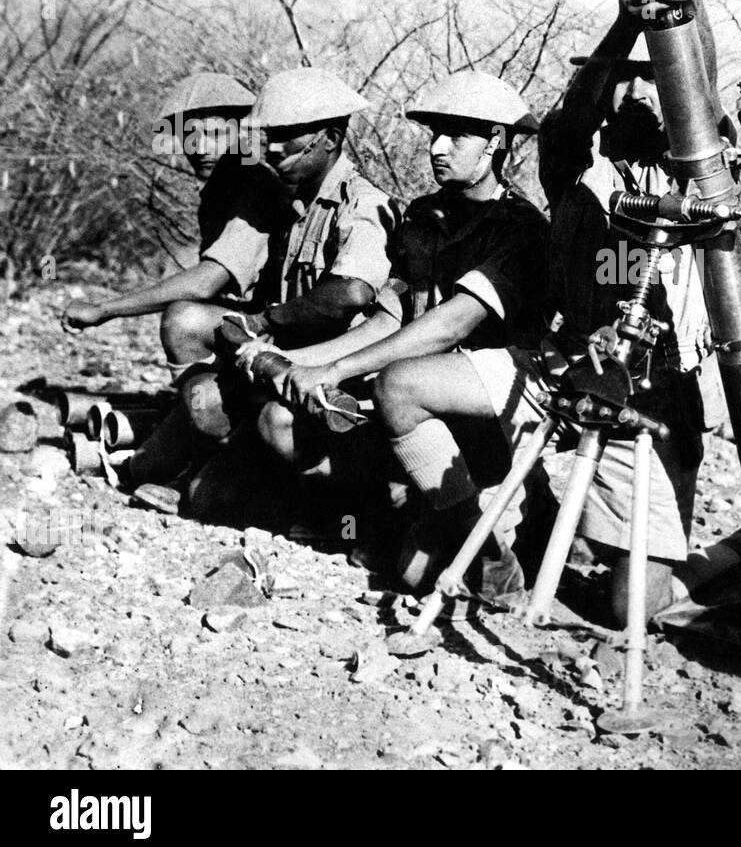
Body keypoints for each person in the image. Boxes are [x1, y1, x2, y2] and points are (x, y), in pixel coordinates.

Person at [375, 0, 724, 624]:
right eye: (622, 78)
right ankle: (485, 546)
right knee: (402, 386)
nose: (632, 93)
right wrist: (627, 19)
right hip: (564, 370)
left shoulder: (700, 179)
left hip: (653, 397)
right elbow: (575, 114)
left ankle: (730, 557)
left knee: (630, 608)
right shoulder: (578, 171)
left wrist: (689, 3)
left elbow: (702, 95)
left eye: (651, 78)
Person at [250, 72, 550, 588]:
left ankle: (491, 541)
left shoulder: (520, 227)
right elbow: (393, 314)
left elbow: (449, 325)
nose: (437, 147)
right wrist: (312, 365)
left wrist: (339, 368)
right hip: (408, 408)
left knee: (418, 574)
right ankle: (389, 511)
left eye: (456, 135)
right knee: (281, 420)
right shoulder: (425, 213)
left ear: (495, 142)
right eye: (433, 133)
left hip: (485, 424)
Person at [128, 66, 399, 490]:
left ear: (329, 139)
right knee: (201, 421)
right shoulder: (295, 199)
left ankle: (337, 500)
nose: (271, 149)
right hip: (276, 361)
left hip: (334, 373)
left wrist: (266, 322)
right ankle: (227, 458)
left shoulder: (362, 205)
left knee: (244, 458)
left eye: (285, 137)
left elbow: (351, 292)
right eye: (267, 135)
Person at [60, 72, 261, 333]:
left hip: (284, 331)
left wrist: (104, 309)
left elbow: (206, 282)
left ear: (243, 136)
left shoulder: (257, 189)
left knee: (183, 321)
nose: (199, 147)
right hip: (253, 320)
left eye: (215, 134)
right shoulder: (218, 194)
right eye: (189, 135)